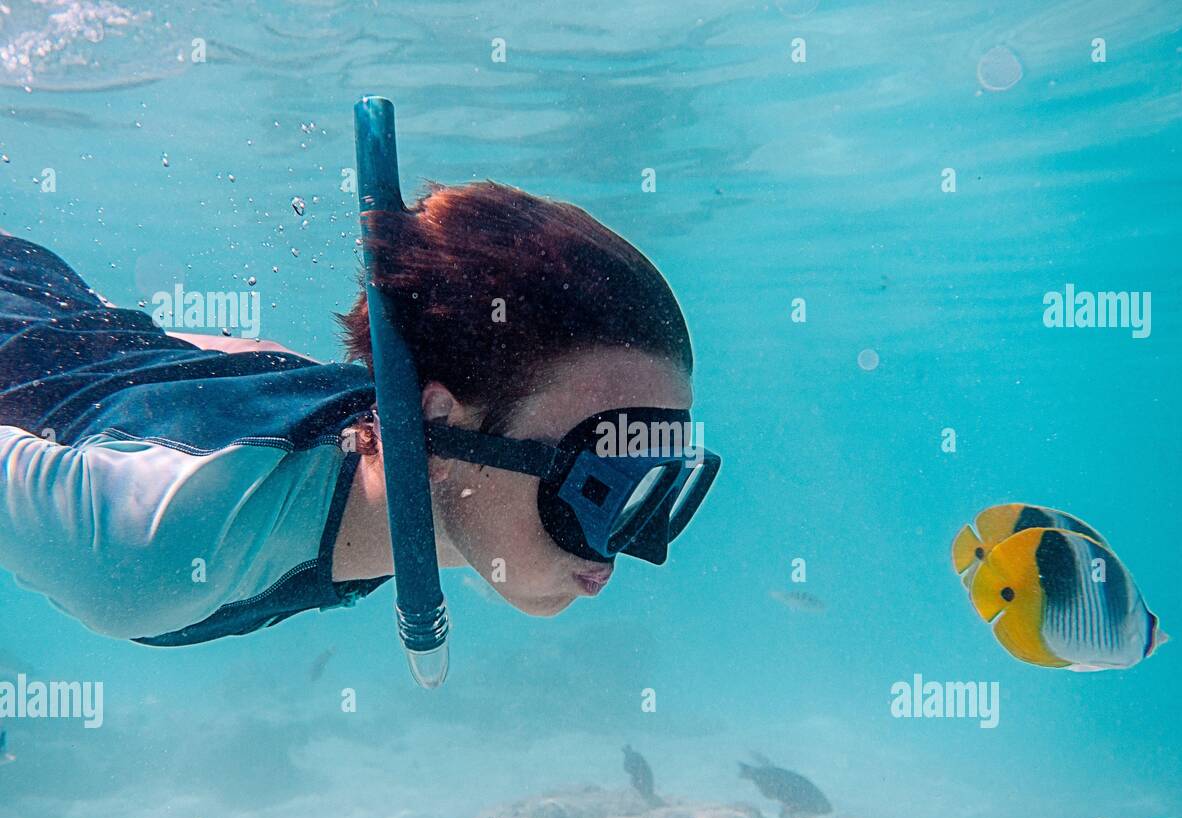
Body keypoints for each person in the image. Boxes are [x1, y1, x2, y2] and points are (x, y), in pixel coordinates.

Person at [0, 181, 717, 646]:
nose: (623, 548)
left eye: (653, 478)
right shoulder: (156, 548)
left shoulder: (370, 445)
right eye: (600, 483)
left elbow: (163, 350)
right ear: (437, 419)